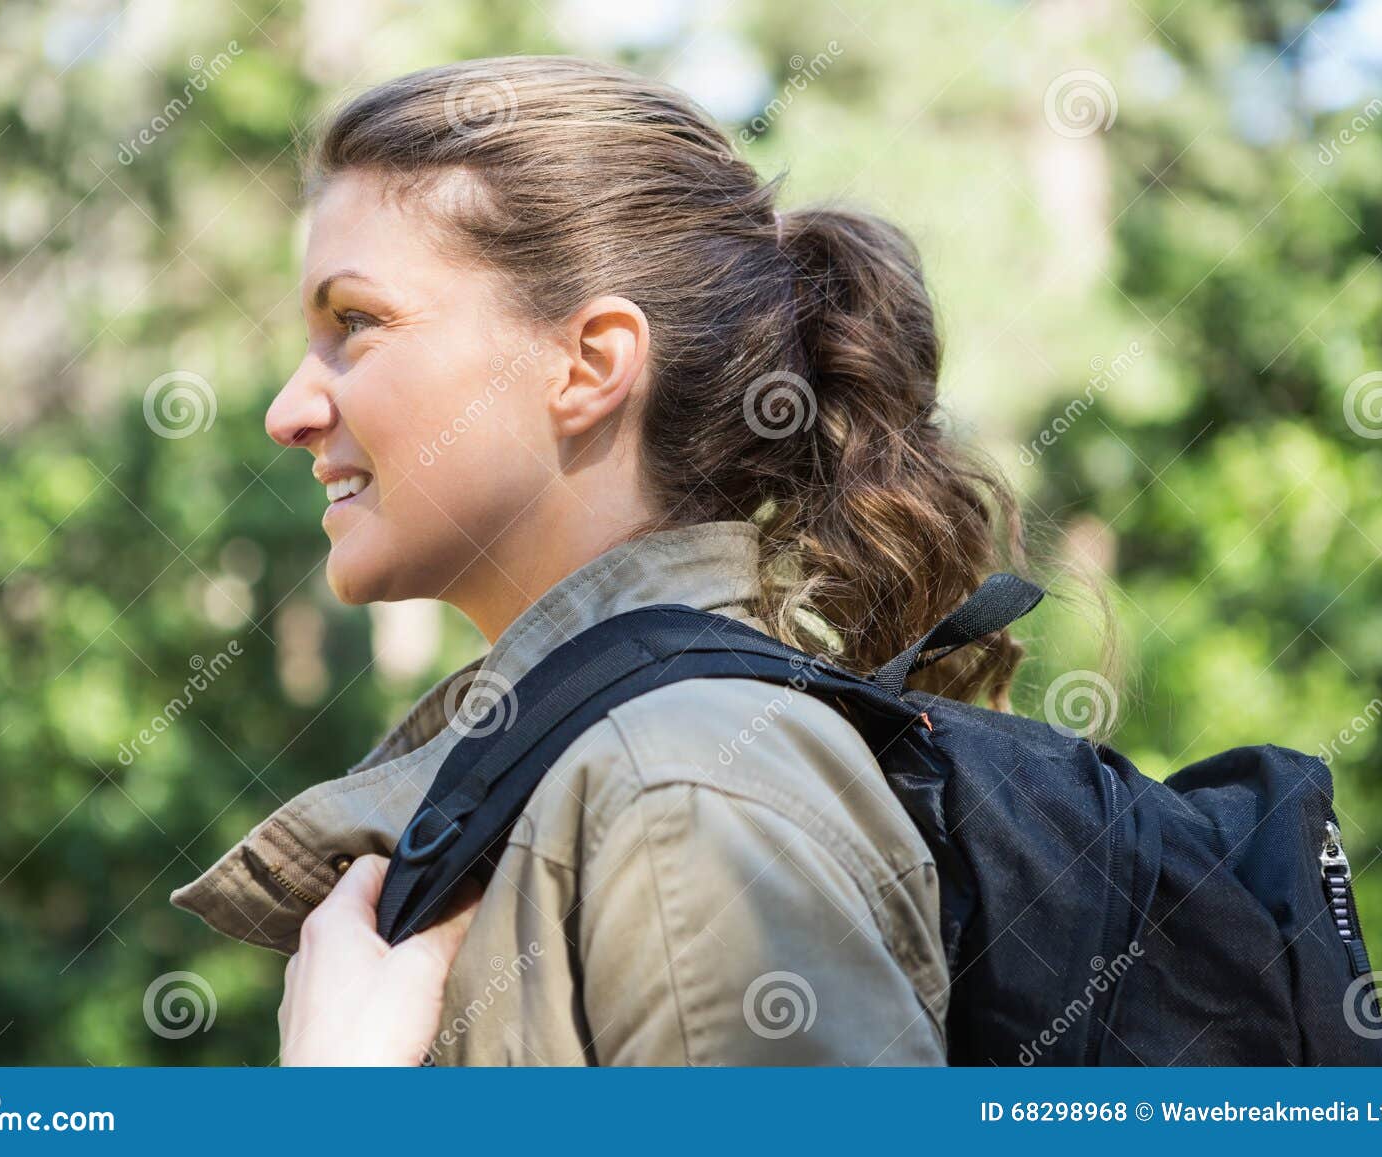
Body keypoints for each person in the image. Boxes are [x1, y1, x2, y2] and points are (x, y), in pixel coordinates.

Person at [172, 55, 1023, 1066]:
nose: (289, 412)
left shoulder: (680, 791)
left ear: (589, 366)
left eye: (355, 323)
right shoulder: (598, 768)